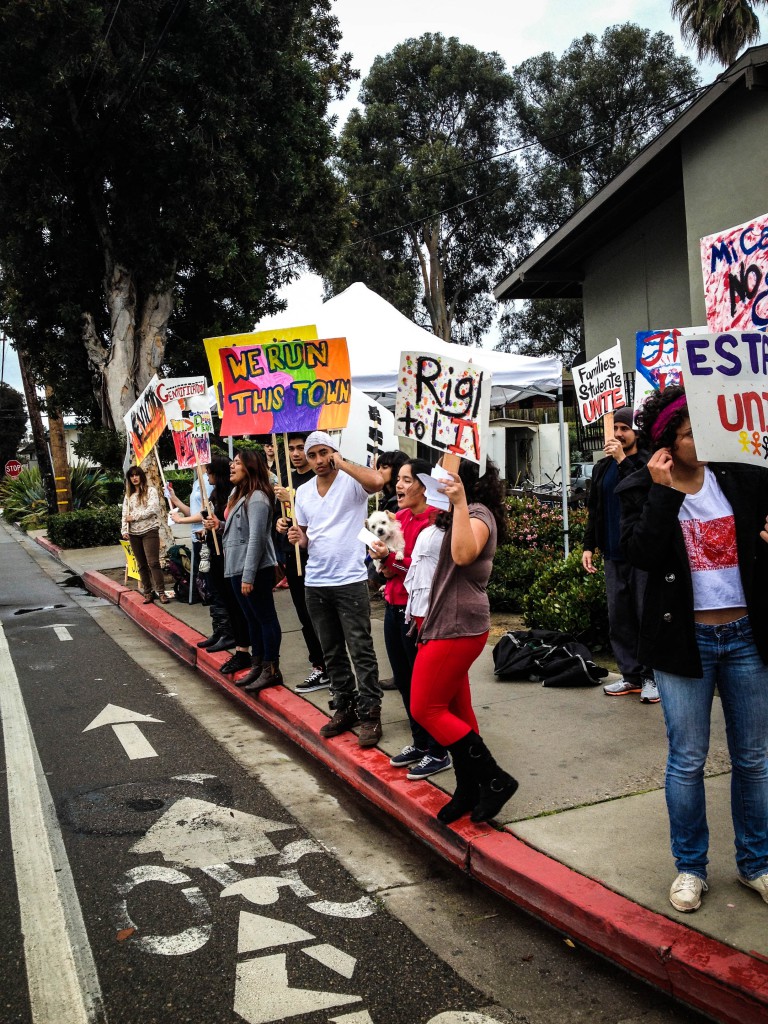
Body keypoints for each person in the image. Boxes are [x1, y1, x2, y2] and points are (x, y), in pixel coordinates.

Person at [618, 385, 768, 913]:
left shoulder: (742, 476)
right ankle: (690, 867)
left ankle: (756, 864)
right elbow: (638, 553)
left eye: (702, 428)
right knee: (687, 760)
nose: (700, 439)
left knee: (754, 758)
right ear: (666, 441)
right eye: (688, 434)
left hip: (747, 636)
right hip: (685, 642)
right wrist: (663, 493)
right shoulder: (641, 486)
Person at [410, 459, 518, 825]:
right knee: (456, 711)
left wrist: (457, 503)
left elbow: (462, 555)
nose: (437, 478)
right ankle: (468, 788)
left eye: (445, 472)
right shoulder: (458, 511)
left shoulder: (477, 513)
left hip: (459, 624)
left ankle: (495, 779)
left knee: (425, 708)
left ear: (462, 479)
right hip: (446, 621)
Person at [287, 431, 386, 747]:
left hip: (350, 581)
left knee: (361, 649)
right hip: (315, 582)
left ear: (334, 452)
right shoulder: (302, 493)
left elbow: (377, 482)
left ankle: (370, 712)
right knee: (331, 652)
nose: (318, 460)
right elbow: (306, 536)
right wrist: (296, 538)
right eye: (312, 455)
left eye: (323, 453)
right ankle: (345, 706)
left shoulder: (351, 482)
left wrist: (341, 461)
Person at [368, 458, 451, 780]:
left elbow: (416, 571)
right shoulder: (398, 518)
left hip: (418, 613)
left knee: (424, 685)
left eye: (405, 480)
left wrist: (389, 560)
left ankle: (438, 750)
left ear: (424, 485)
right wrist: (380, 558)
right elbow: (391, 569)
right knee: (403, 679)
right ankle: (420, 742)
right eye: (398, 480)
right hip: (392, 606)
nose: (398, 486)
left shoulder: (435, 522)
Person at [581, 406, 657, 703]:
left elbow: (643, 495)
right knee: (620, 617)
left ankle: (652, 676)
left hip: (641, 554)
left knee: (644, 614)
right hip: (613, 553)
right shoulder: (602, 467)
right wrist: (589, 545)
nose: (618, 434)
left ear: (636, 431)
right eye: (614, 428)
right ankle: (630, 676)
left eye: (624, 428)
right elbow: (594, 510)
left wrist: (623, 460)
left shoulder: (647, 462)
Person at [204, 451, 283, 693]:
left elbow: (257, 539)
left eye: (237, 463)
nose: (232, 466)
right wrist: (221, 526)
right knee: (252, 619)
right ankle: (258, 665)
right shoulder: (243, 495)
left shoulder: (258, 498)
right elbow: (240, 531)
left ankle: (271, 669)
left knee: (265, 618)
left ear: (250, 467)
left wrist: (248, 576)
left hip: (254, 569)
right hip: (237, 567)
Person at [274, 431, 328, 694]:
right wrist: (280, 522)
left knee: (322, 616)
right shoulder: (286, 481)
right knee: (304, 616)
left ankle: (333, 668)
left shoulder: (320, 479)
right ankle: (319, 666)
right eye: (292, 449)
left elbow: (320, 515)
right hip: (292, 556)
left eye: (300, 448)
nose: (296, 454)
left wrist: (291, 502)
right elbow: (281, 519)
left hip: (315, 557)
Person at [196, 457, 237, 654]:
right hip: (212, 546)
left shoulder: (230, 495)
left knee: (224, 591)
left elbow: (228, 523)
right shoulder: (213, 494)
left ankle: (229, 632)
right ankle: (219, 629)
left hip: (224, 548)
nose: (207, 476)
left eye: (210, 473)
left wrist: (216, 525)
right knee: (214, 590)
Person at [121, 465, 168, 604]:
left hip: (150, 530)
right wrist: (124, 530)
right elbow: (124, 514)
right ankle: (148, 592)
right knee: (141, 564)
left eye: (137, 475)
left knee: (153, 562)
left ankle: (161, 592)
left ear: (141, 476)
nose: (134, 478)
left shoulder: (151, 491)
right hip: (133, 533)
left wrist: (135, 517)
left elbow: (153, 509)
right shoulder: (129, 496)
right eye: (132, 475)